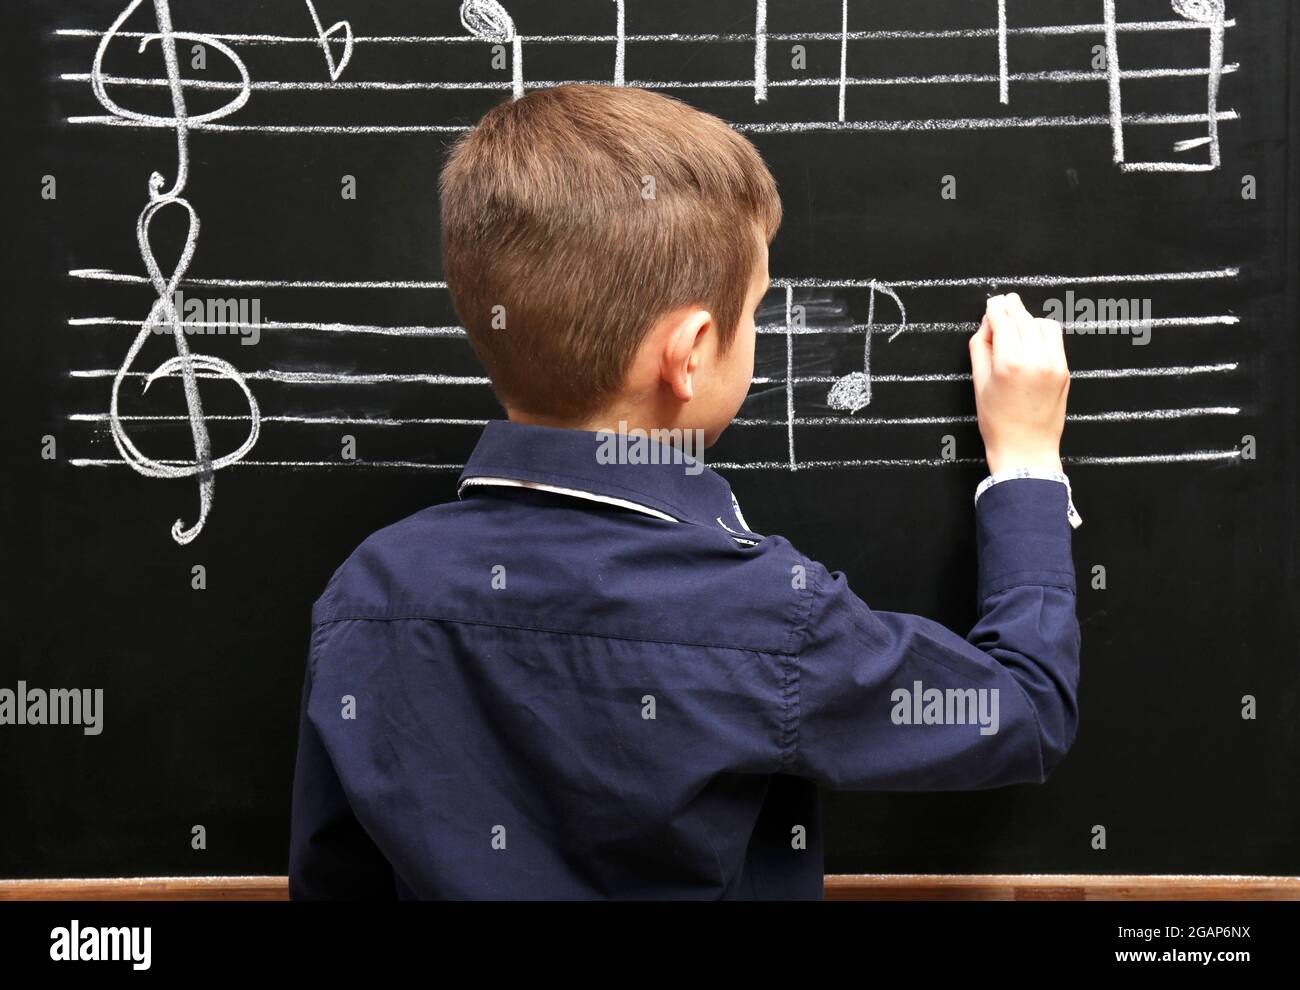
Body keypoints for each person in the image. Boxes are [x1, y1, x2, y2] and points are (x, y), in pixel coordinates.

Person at [289, 84, 1080, 899]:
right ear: (692, 353)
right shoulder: (768, 616)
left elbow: (333, 875)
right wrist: (1025, 464)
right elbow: (1019, 711)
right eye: (757, 313)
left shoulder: (368, 593)